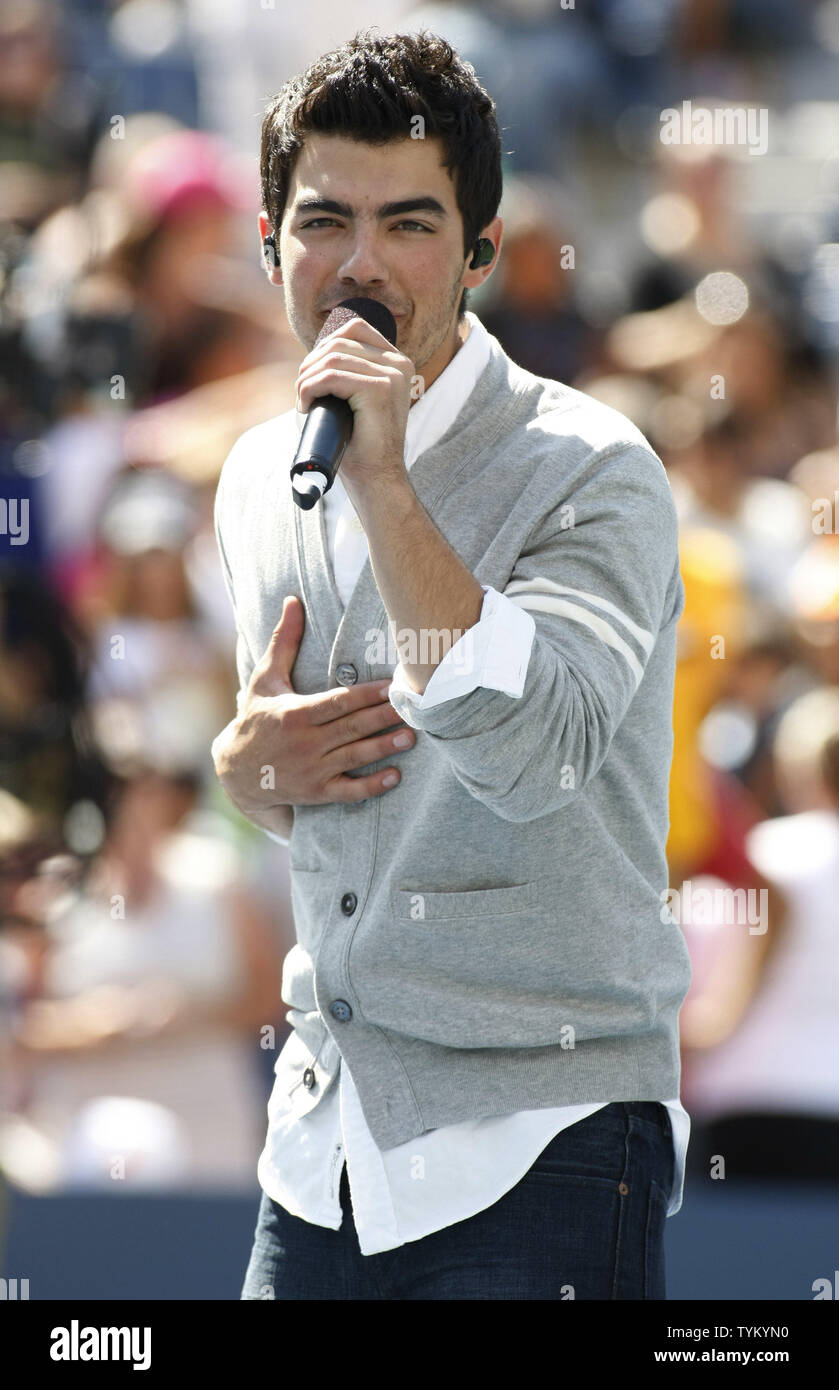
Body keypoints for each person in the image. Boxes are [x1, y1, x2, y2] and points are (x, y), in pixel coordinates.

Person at [212, 29, 692, 1300]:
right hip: (319, 1148)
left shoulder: (590, 467)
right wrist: (243, 772)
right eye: (322, 221)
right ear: (270, 242)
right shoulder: (256, 475)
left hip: (542, 1140)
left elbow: (531, 753)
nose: (359, 265)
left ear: (480, 251)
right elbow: (305, 778)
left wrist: (384, 481)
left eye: (410, 224)